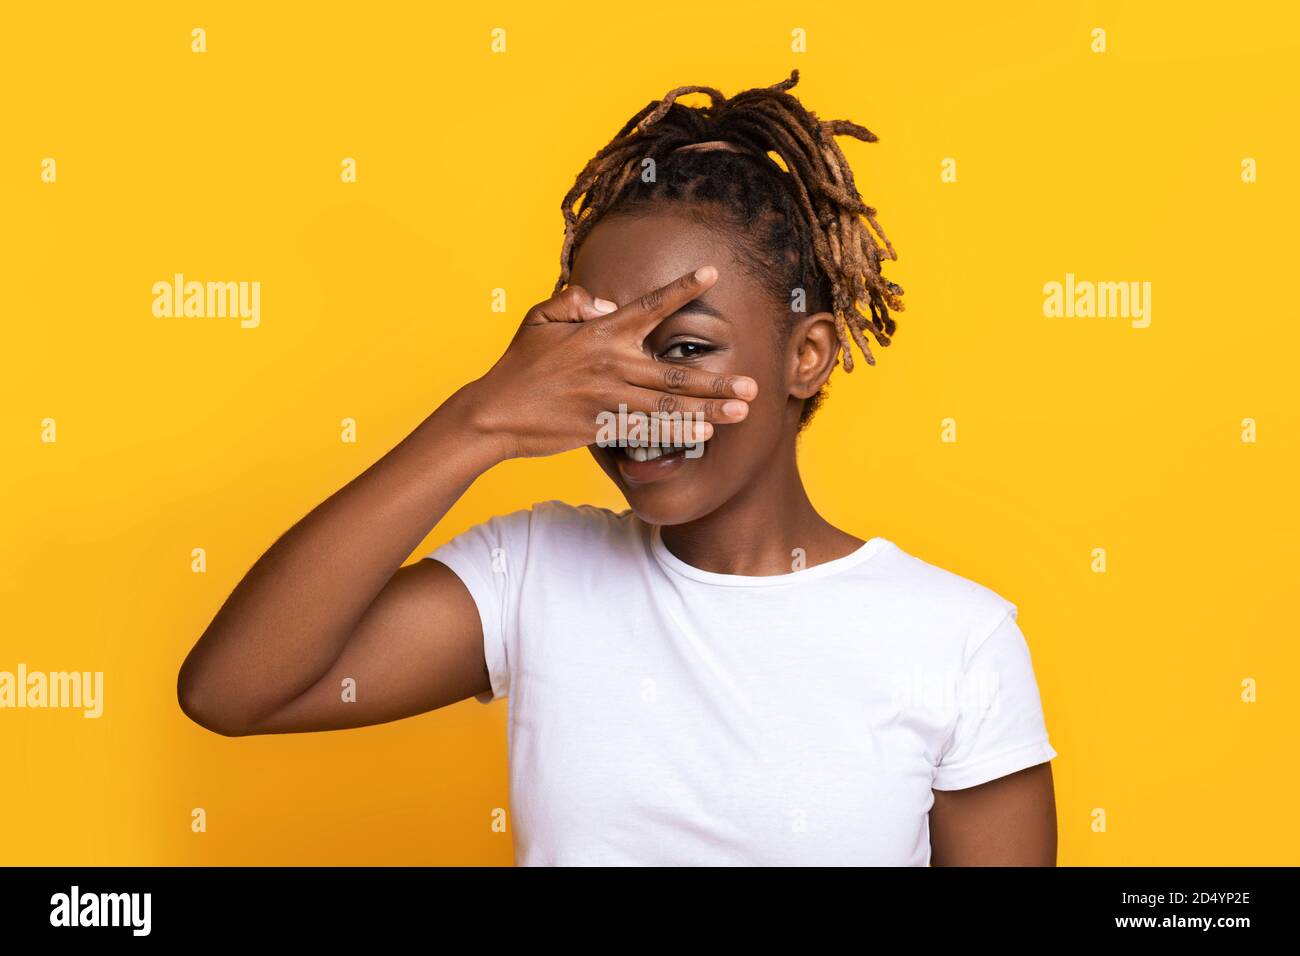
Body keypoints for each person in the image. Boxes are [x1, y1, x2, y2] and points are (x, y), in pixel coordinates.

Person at [178, 70, 1059, 866]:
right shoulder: (534, 573)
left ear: (808, 354)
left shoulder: (957, 641)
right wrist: (480, 419)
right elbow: (232, 690)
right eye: (597, 358)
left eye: (684, 348)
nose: (636, 400)